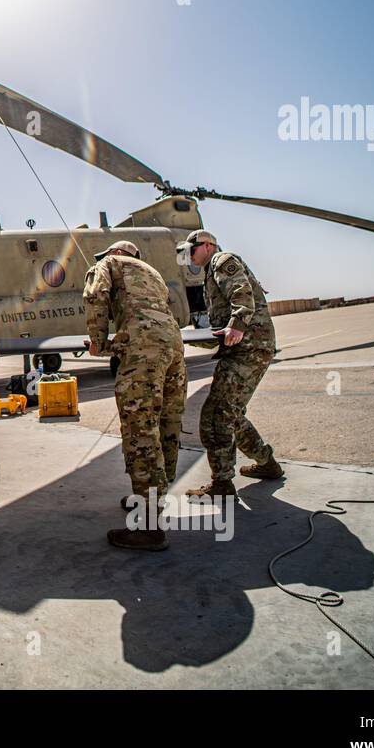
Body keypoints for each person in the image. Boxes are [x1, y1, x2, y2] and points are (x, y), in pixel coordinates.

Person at [82, 240, 187, 552]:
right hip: (174, 346)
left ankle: (149, 526)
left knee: (140, 429)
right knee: (167, 425)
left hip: (143, 349)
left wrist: (97, 340)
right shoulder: (153, 273)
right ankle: (154, 498)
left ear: (116, 253)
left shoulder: (110, 264)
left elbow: (95, 295)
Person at [179, 229, 282, 499]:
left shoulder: (221, 260)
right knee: (231, 414)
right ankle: (267, 463)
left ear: (207, 246)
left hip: (248, 349)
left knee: (216, 416)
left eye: (191, 250)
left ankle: (222, 484)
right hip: (246, 349)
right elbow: (220, 325)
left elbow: (241, 292)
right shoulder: (210, 275)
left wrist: (237, 324)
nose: (189, 256)